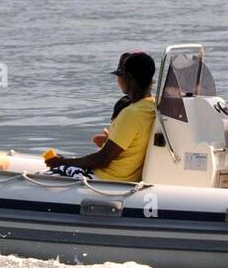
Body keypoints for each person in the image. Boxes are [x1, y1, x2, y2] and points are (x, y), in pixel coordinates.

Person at [48, 51, 156, 182]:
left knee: (40, 178)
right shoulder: (152, 106)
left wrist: (63, 162)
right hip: (124, 176)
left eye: (120, 75)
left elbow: (102, 160)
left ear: (128, 77)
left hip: (106, 178)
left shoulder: (131, 113)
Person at [89, 50, 149, 148]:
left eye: (119, 76)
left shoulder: (124, 107)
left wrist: (107, 141)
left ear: (126, 78)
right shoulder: (155, 105)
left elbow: (104, 154)